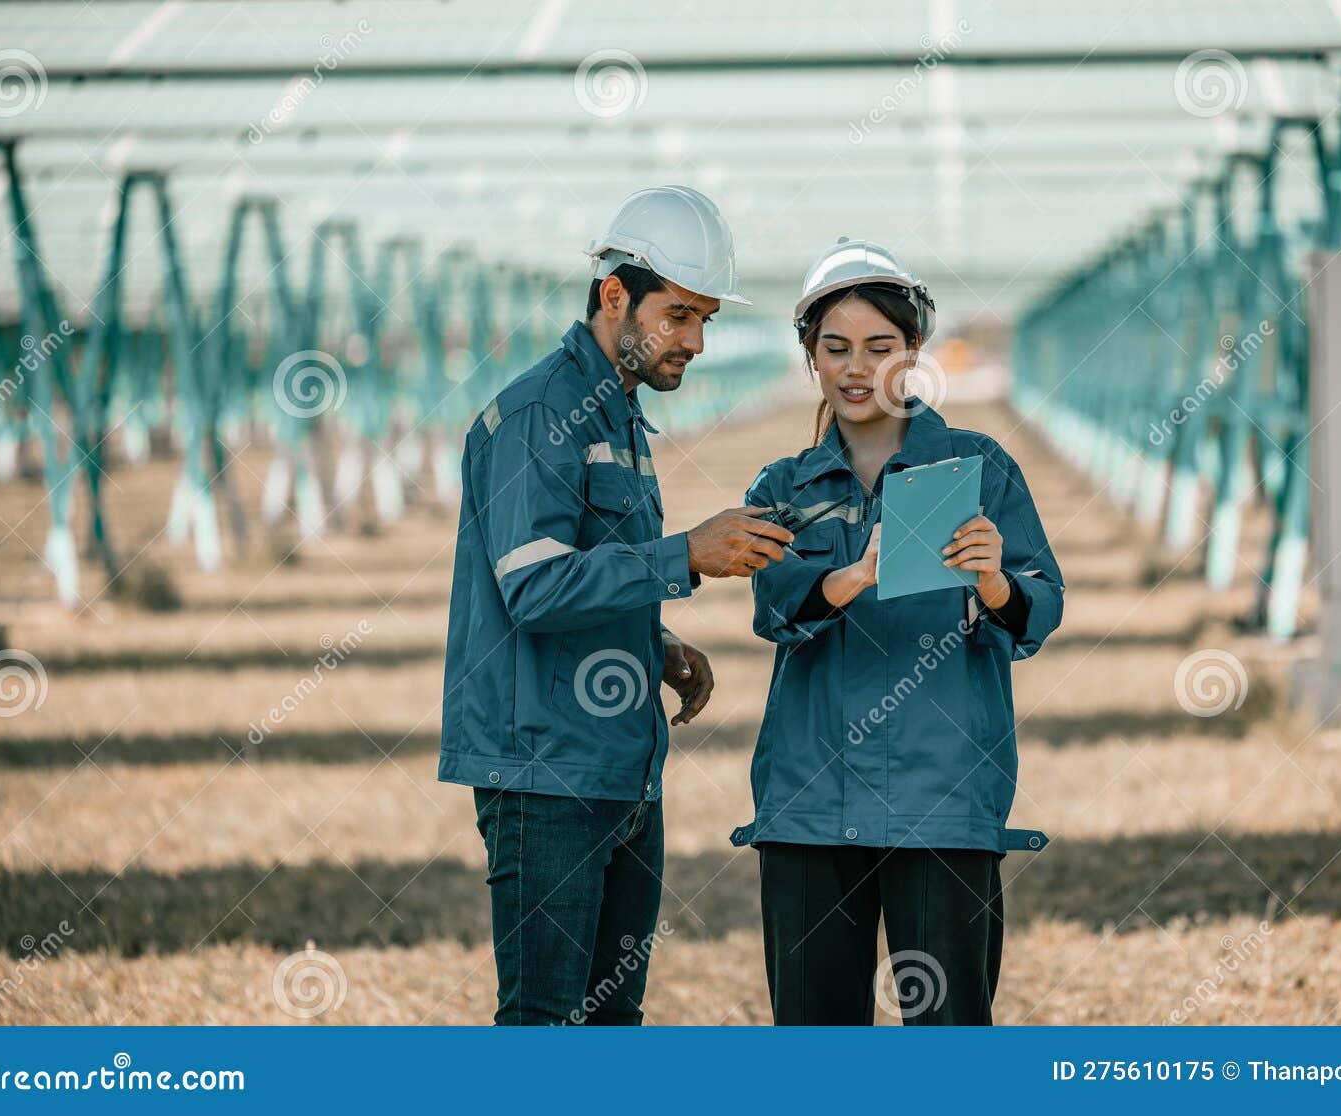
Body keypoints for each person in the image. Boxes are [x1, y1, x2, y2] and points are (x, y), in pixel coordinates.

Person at [440, 185, 796, 1025]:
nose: (697, 342)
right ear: (614, 297)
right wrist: (687, 555)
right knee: (547, 1027)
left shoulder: (619, 414)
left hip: (622, 769)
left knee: (611, 1026)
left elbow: (589, 568)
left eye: (705, 318)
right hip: (547, 773)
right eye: (679, 316)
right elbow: (531, 588)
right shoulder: (539, 415)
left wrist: (657, 643)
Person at [730, 238, 1065, 1025]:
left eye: (880, 347)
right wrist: (857, 575)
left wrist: (993, 580)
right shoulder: (784, 487)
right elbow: (774, 608)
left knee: (949, 1039)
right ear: (810, 356)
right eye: (835, 348)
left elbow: (1039, 607)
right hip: (810, 805)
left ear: (915, 351)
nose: (857, 369)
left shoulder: (980, 469)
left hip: (942, 798)